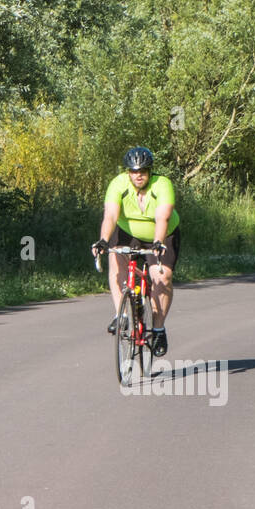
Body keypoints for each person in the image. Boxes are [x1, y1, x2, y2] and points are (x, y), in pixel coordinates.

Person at [91, 146, 180, 357]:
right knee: (116, 261)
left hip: (161, 233)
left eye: (142, 171)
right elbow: (111, 215)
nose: (138, 175)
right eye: (133, 171)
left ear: (150, 171)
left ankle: (158, 329)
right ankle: (121, 315)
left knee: (162, 277)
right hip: (127, 231)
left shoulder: (162, 184)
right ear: (127, 171)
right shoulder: (118, 184)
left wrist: (158, 242)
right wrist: (103, 240)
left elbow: (162, 218)